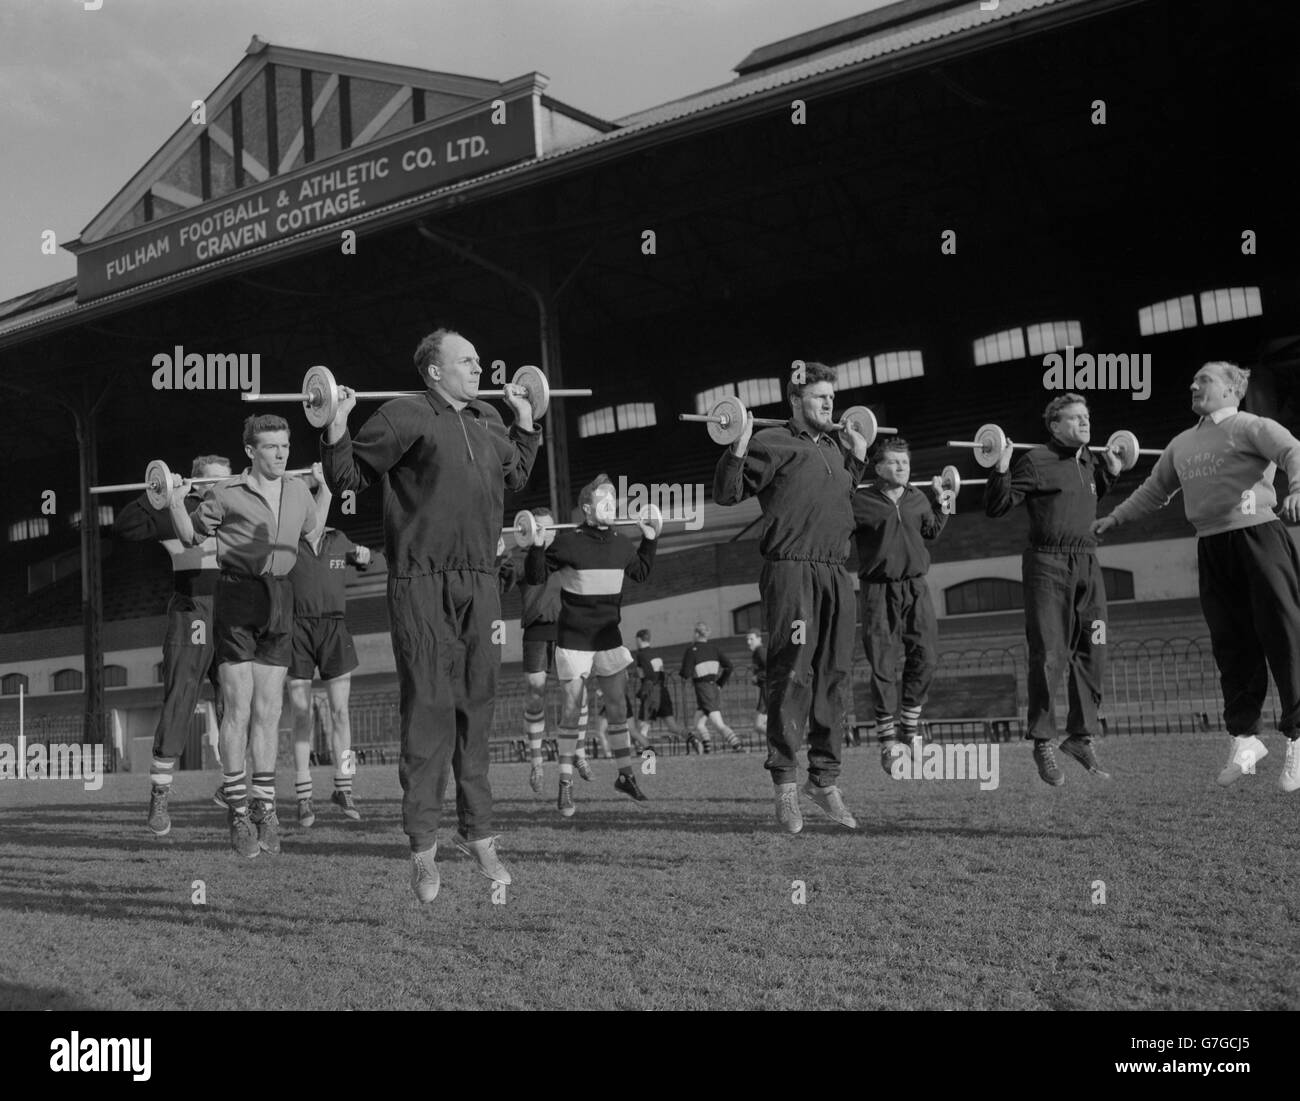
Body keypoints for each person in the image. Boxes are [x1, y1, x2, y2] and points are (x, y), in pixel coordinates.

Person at [321, 328, 541, 902]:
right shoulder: (401, 416)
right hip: (420, 579)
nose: (478, 365)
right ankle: (423, 845)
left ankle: (480, 832)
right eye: (465, 360)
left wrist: (525, 421)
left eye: (477, 357)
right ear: (435, 372)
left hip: (482, 580)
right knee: (428, 706)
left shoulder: (489, 418)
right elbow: (347, 479)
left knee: (479, 704)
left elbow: (516, 475)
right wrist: (336, 424)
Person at [1094, 361, 1300, 792]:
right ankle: (1245, 741)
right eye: (1192, 379)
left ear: (1231, 389)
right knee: (1231, 644)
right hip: (1211, 547)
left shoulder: (1251, 425)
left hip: (1259, 538)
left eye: (1202, 379)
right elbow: (1154, 491)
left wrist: (1297, 487)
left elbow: (1293, 452)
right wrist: (1114, 518)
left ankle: (1298, 740)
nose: (1193, 384)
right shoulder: (1181, 444)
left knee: (1284, 636)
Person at [713, 361, 868, 832]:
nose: (829, 405)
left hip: (837, 573)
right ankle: (784, 782)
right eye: (821, 398)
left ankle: (823, 781)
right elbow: (725, 493)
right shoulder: (770, 442)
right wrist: (737, 448)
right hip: (791, 571)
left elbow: (839, 498)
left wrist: (858, 458)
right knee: (793, 671)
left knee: (835, 674)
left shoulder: (838, 449)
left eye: (832, 399)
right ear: (796, 401)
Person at [168, 417, 323, 857]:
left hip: (281, 597)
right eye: (271, 446)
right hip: (237, 596)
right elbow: (191, 536)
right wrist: (177, 501)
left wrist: (325, 486)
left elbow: (312, 535)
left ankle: (265, 807)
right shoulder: (226, 494)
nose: (281, 453)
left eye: (285, 445)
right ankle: (237, 811)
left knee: (270, 710)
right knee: (237, 707)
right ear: (251, 451)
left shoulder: (297, 491)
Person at [984, 393, 1122, 786]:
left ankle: (1080, 736)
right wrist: (1003, 467)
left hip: (1088, 563)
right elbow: (996, 507)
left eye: (1086, 417)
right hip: (1048, 565)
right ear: (1055, 426)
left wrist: (1110, 472)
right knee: (1048, 653)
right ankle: (1043, 739)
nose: (1084, 423)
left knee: (1093, 647)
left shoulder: (1091, 460)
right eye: (1075, 418)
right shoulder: (1036, 460)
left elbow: (1084, 501)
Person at [524, 473, 657, 817]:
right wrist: (537, 546)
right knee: (572, 711)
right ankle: (565, 783)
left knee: (618, 707)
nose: (611, 508)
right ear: (587, 508)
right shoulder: (568, 543)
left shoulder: (621, 542)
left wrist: (650, 539)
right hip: (574, 641)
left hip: (608, 637)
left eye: (614, 502)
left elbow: (641, 572)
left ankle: (626, 776)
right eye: (604, 502)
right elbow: (536, 576)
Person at [116, 453, 231, 836]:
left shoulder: (239, 506)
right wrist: (158, 492)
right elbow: (126, 526)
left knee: (238, 701)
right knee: (182, 695)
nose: (223, 487)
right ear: (197, 482)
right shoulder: (177, 508)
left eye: (227, 480)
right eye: (215, 481)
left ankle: (235, 786)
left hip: (235, 609)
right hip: (192, 610)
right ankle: (160, 795)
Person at [285, 463, 375, 827]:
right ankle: (303, 795)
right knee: (302, 714)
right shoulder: (287, 539)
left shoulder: (340, 539)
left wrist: (367, 556)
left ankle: (344, 786)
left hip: (336, 631)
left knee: (341, 714)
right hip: (298, 632)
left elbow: (366, 557)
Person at [852, 437, 947, 775]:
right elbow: (835, 532)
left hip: (916, 588)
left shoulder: (919, 497)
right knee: (882, 665)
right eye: (893, 463)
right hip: (877, 591)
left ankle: (910, 729)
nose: (902, 467)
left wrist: (944, 501)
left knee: (927, 657)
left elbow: (933, 530)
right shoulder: (859, 501)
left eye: (904, 462)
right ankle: (888, 741)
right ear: (877, 468)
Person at [513, 510, 596, 792]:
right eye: (538, 529)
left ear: (556, 530)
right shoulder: (521, 556)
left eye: (549, 529)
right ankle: (536, 761)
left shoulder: (567, 554)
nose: (544, 534)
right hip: (536, 630)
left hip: (568, 630)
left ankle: (580, 753)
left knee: (576, 696)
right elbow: (509, 575)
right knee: (535, 696)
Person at [679, 622, 742, 752]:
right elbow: (729, 667)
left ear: (696, 634)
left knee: (718, 723)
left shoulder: (692, 650)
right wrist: (720, 683)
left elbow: (686, 673)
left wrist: (684, 672)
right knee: (698, 723)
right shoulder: (714, 649)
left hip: (703, 689)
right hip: (713, 687)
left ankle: (738, 746)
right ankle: (707, 748)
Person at [632, 628, 688, 750]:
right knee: (672, 726)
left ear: (638, 639)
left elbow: (650, 675)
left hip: (651, 692)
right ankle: (692, 738)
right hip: (663, 691)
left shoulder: (641, 655)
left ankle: (644, 750)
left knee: (642, 724)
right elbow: (657, 673)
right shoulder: (657, 653)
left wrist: (642, 691)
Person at [745, 630, 767, 739]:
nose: (749, 642)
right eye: (747, 639)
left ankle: (784, 742)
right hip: (767, 690)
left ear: (759, 639)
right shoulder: (757, 652)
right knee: (768, 725)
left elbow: (772, 670)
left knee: (758, 725)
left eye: (751, 639)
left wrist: (757, 677)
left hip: (768, 692)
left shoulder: (760, 651)